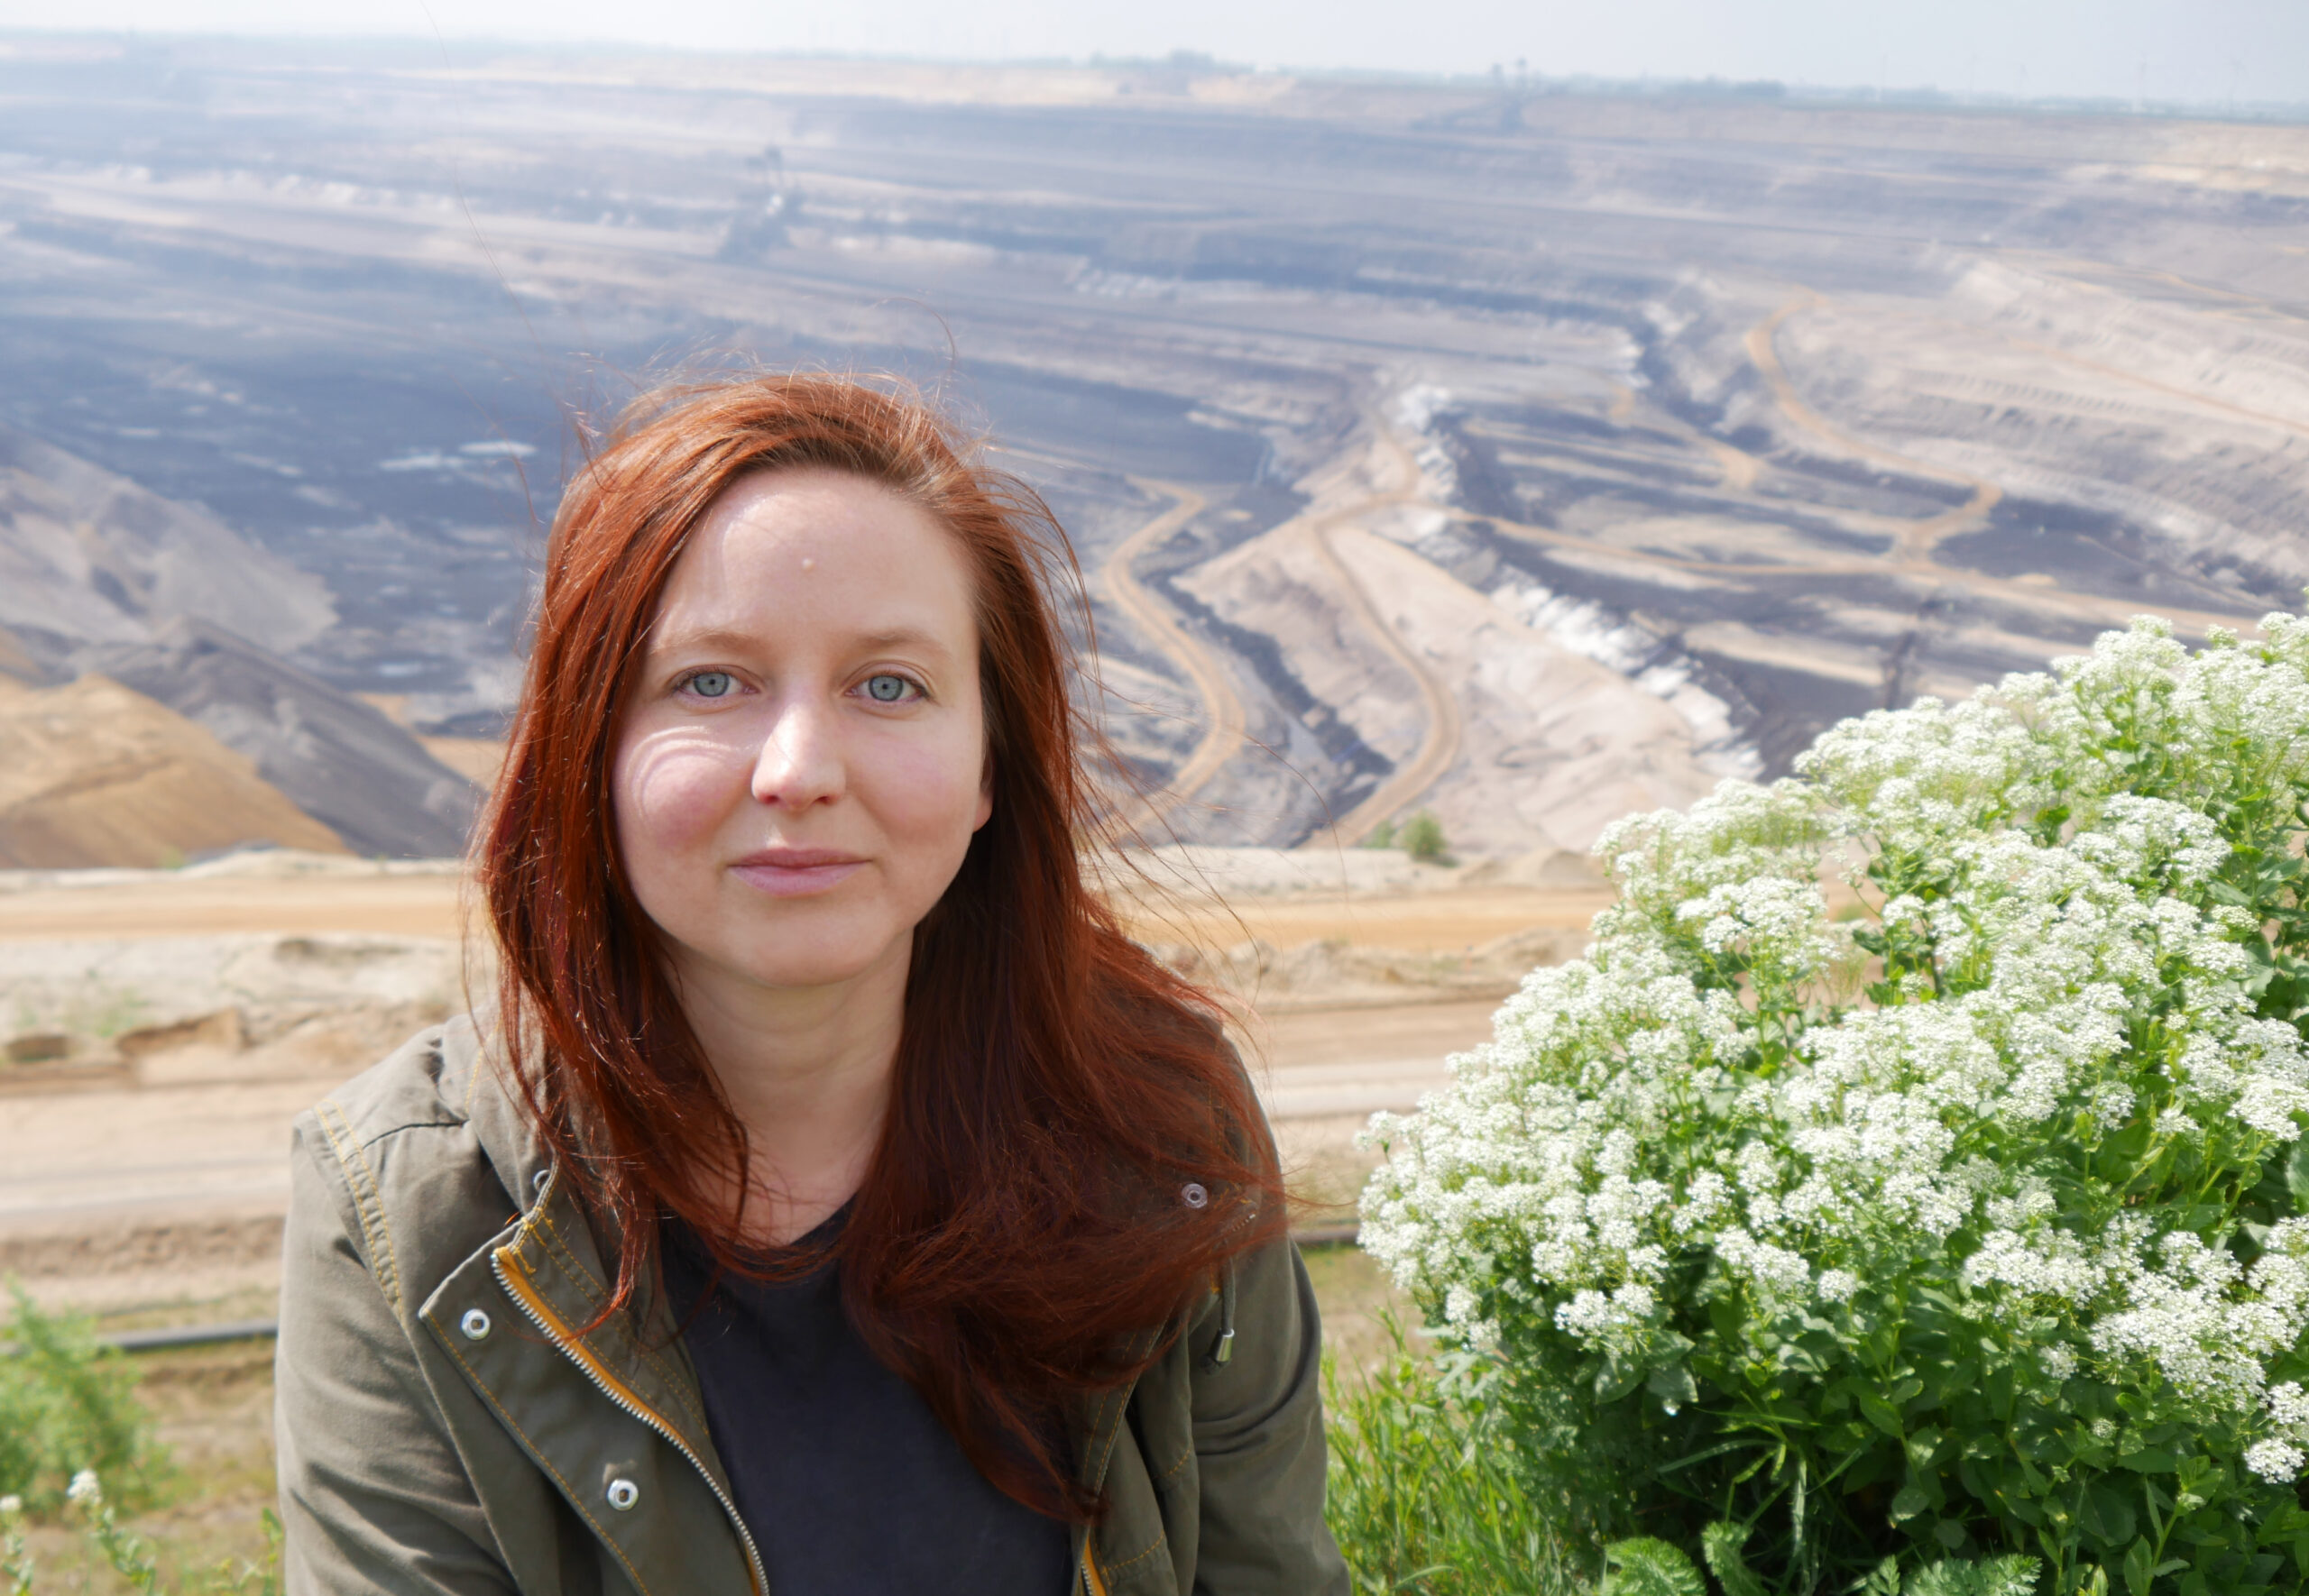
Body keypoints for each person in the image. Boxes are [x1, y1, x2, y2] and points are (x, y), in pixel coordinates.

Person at [272, 373, 1349, 1595]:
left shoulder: (1167, 1125)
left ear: (992, 765)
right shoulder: (409, 1206)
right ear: (592, 751)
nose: (798, 769)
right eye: (710, 683)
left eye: (888, 684)